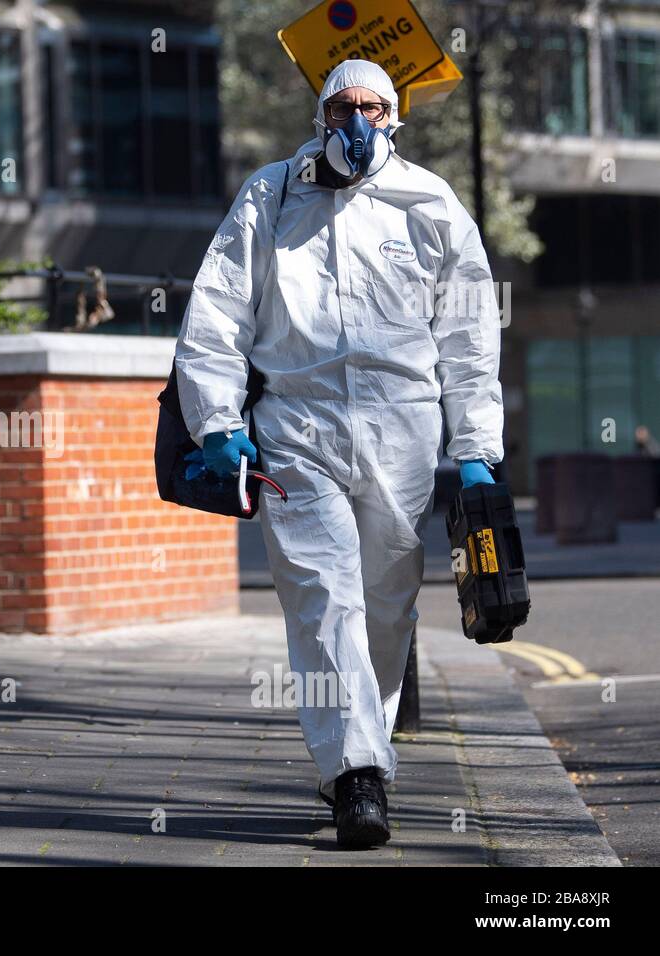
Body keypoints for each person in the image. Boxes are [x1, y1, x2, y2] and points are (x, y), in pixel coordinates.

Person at [174, 60, 504, 849]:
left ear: (396, 115)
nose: (358, 119)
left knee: (386, 606)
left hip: (403, 429)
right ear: (322, 114)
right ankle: (357, 775)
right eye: (343, 106)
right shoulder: (273, 195)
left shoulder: (430, 205)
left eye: (373, 106)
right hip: (297, 426)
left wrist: (477, 448)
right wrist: (217, 418)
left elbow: (468, 336)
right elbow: (218, 304)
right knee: (324, 598)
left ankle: (360, 750)